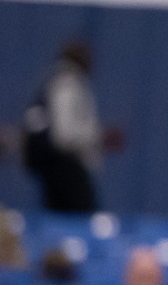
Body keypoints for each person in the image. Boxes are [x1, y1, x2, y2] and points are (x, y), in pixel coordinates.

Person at [22, 40, 113, 213]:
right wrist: (98, 135)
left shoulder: (66, 82)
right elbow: (64, 136)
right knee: (77, 220)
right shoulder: (67, 84)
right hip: (64, 167)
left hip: (61, 166)